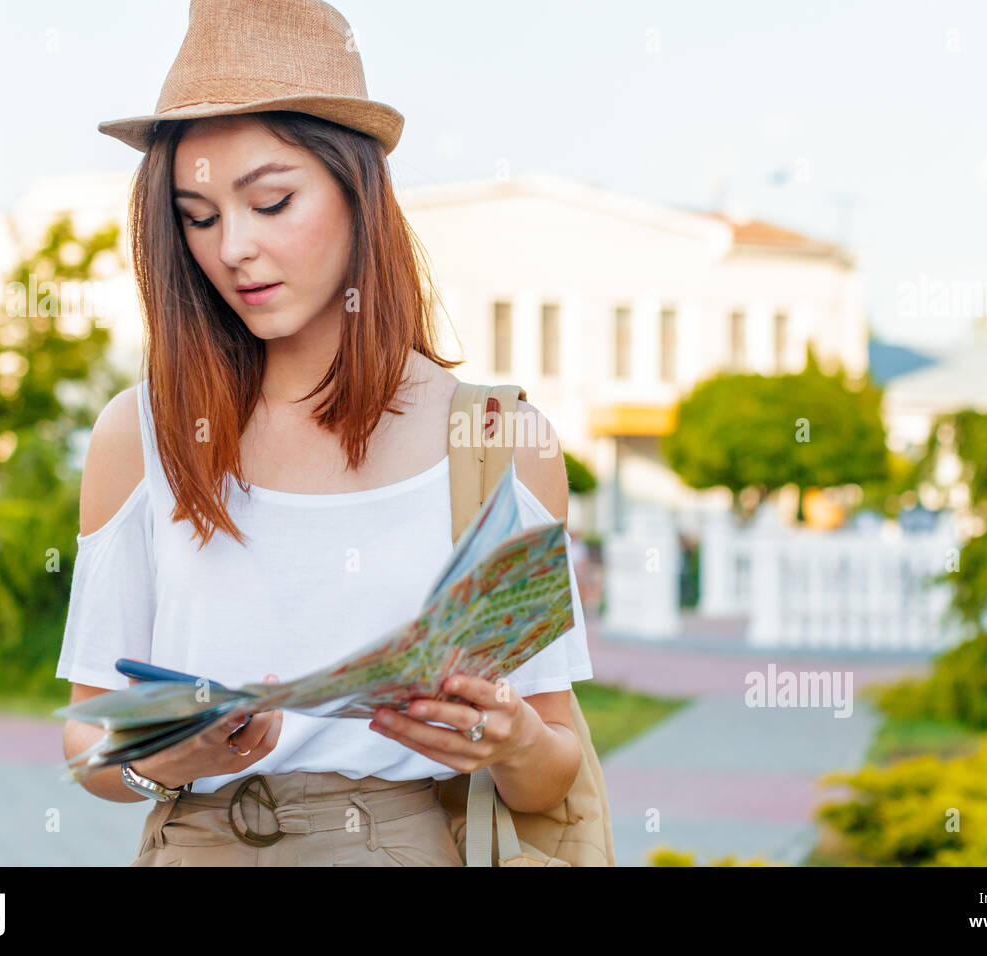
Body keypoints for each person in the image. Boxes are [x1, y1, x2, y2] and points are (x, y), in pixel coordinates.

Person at [57, 0, 593, 866]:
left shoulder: (499, 440)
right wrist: (171, 760)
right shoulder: (141, 433)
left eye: (272, 201)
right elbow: (90, 747)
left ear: (358, 190)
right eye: (198, 216)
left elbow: (553, 767)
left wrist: (511, 742)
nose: (234, 247)